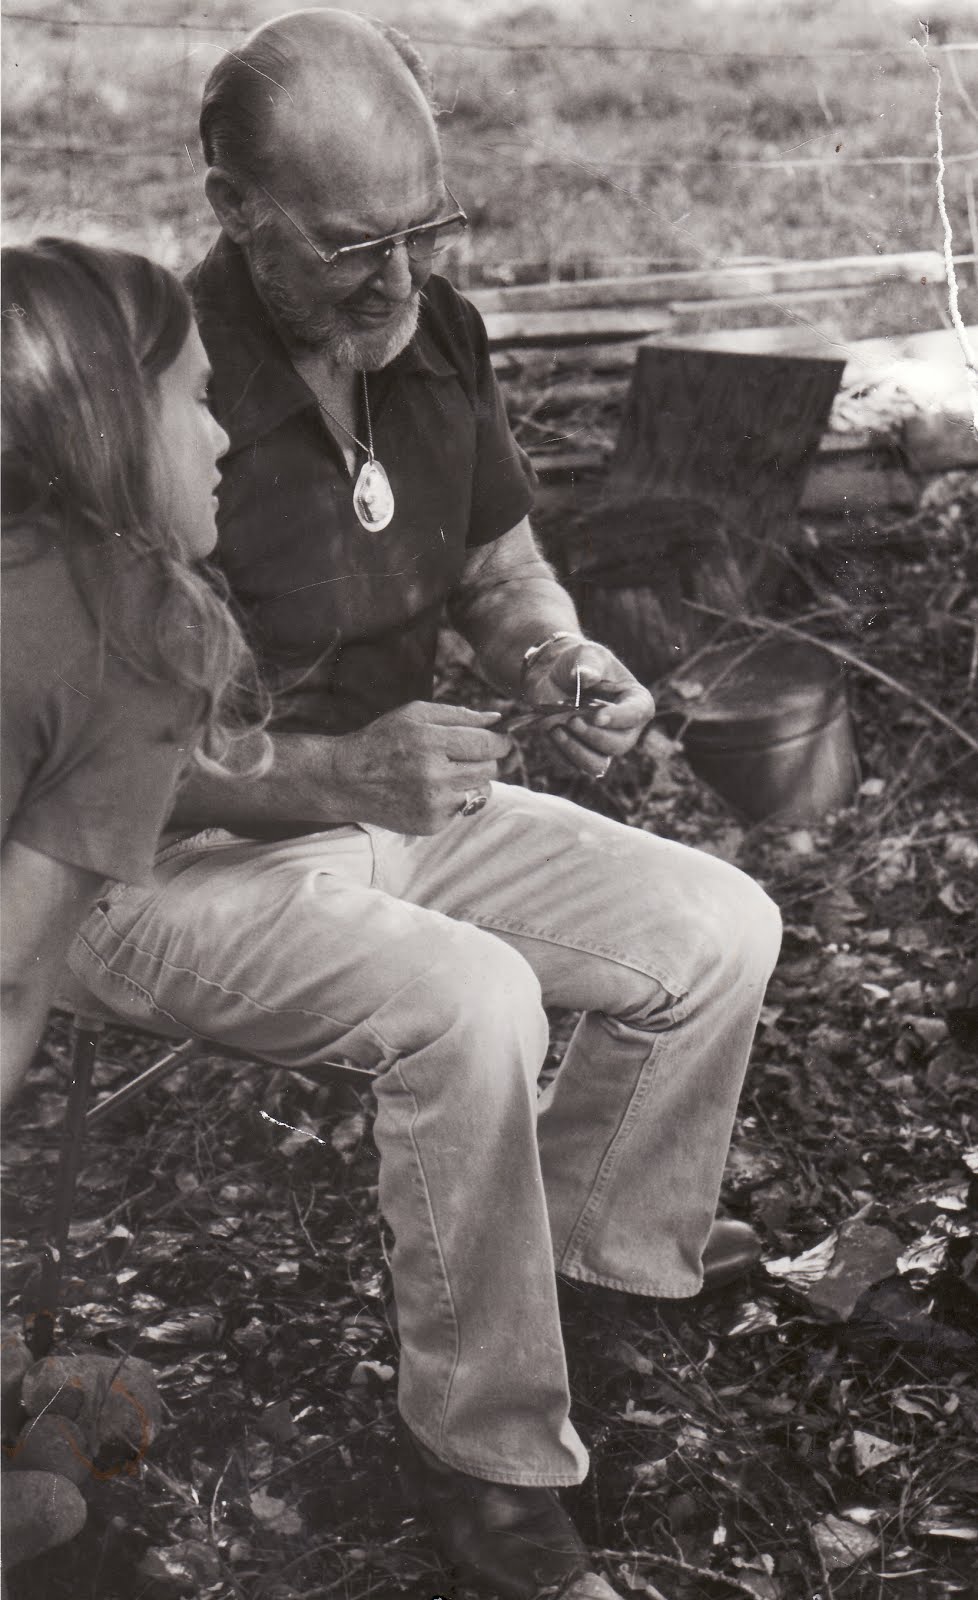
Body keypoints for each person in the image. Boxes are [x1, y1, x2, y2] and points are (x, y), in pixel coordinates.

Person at [66, 13, 783, 1598]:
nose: (396, 283)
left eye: (426, 231)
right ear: (230, 206)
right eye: (350, 248)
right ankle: (485, 1456)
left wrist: (556, 655)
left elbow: (491, 561)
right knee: (472, 1004)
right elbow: (86, 756)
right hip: (166, 867)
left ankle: (591, 1261)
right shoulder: (148, 394)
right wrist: (326, 775)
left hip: (393, 802)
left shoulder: (434, 334)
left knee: (716, 926)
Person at [0, 238, 268, 1109]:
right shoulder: (135, 634)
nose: (222, 438)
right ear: (106, 412)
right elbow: (6, 978)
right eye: (197, 396)